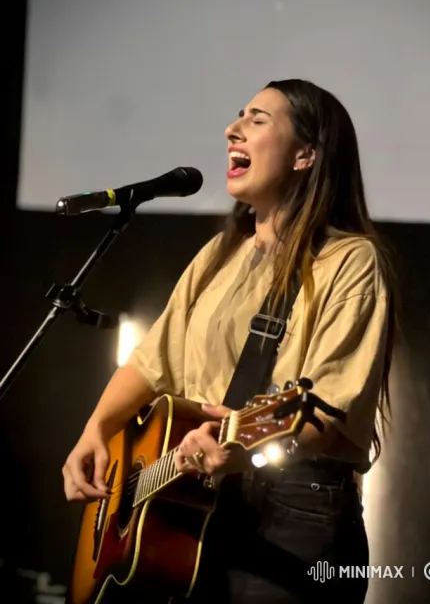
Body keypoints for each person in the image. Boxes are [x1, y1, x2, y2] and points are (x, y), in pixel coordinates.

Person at [62, 79, 398, 602]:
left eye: (258, 120)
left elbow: (326, 413)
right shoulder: (221, 252)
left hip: (293, 518)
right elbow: (151, 364)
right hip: (191, 504)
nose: (231, 129)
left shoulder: (348, 262)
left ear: (305, 155)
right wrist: (96, 430)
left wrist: (240, 451)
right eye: (238, 116)